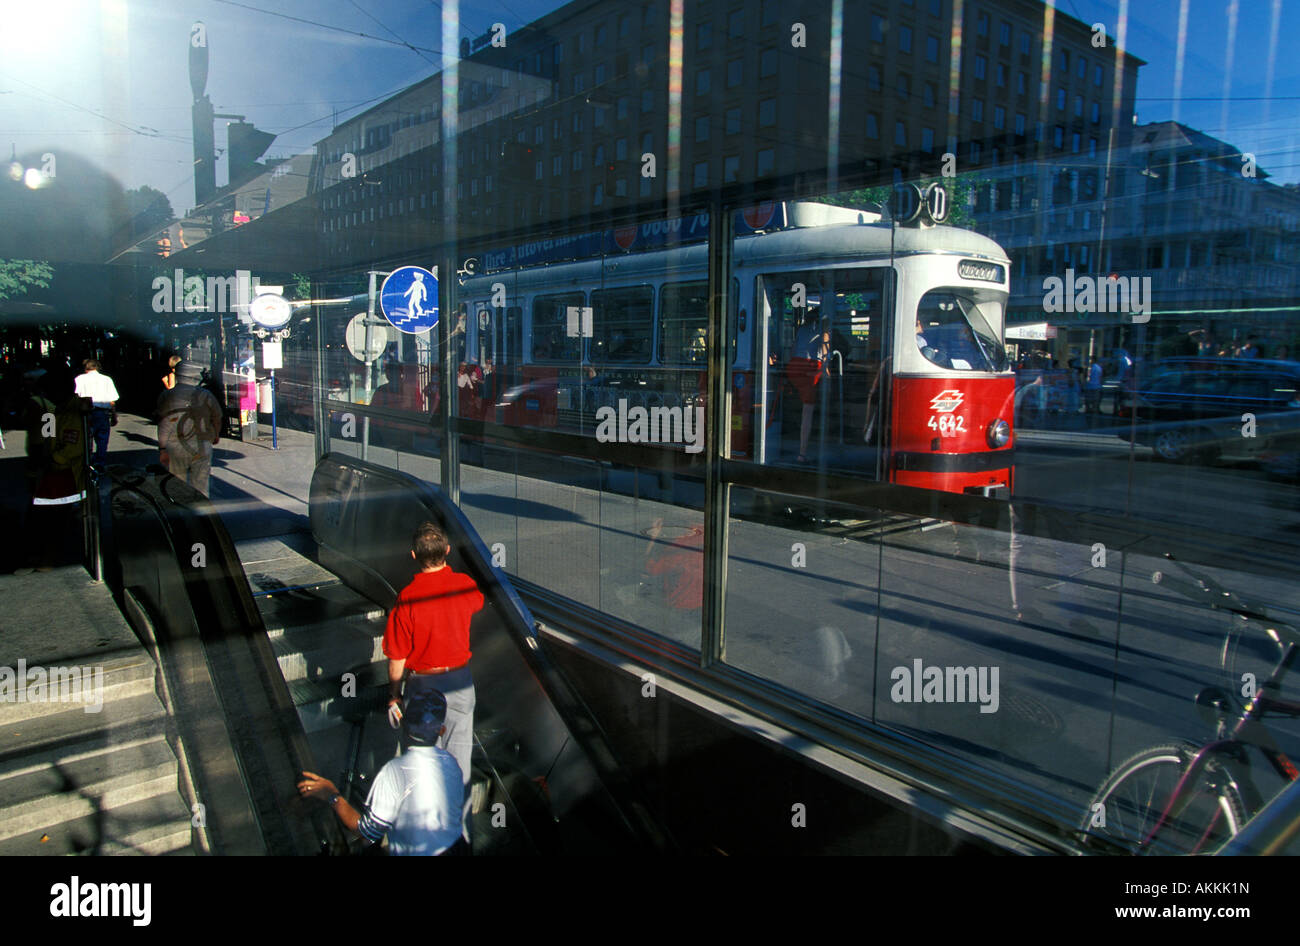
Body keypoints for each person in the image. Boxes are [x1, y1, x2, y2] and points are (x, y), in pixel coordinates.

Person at [383, 521, 485, 823]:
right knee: (460, 762)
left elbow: (397, 657)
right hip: (460, 682)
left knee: (423, 762)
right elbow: (477, 603)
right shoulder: (465, 585)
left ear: (414, 555)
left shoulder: (408, 597)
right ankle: (458, 830)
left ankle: (427, 826)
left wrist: (394, 696)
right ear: (448, 552)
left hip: (423, 686)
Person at [297, 690, 464, 855]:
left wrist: (331, 794)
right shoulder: (451, 764)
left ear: (403, 723)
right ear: (441, 730)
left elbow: (366, 832)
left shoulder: (395, 771)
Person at [156, 360, 223, 497]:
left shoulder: (167, 395)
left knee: (177, 485)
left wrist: (162, 449)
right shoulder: (206, 395)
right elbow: (217, 417)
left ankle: (181, 515)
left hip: (175, 446)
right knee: (201, 486)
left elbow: (163, 424)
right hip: (202, 444)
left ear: (178, 375)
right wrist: (216, 434)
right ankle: (201, 515)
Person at [785, 309, 829, 463]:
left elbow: (792, 350)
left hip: (794, 366)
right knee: (807, 411)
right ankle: (802, 453)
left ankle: (800, 446)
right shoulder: (823, 330)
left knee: (802, 405)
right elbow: (825, 349)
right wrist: (826, 367)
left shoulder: (802, 329)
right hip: (810, 367)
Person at [73, 358, 119, 464]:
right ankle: (100, 464)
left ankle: (87, 462)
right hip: (102, 413)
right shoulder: (107, 379)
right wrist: (114, 415)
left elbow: (76, 396)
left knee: (86, 439)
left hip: (85, 413)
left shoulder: (79, 379)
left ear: (85, 368)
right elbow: (112, 400)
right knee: (102, 440)